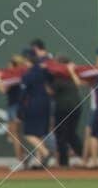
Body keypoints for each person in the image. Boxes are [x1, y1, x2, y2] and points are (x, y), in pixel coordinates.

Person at [32, 40, 85, 168]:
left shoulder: (59, 78)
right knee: (71, 134)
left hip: (63, 108)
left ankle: (64, 162)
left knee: (61, 135)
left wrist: (43, 82)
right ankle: (83, 156)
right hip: (76, 107)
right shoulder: (72, 75)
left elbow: (51, 91)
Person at [16, 51, 54, 169]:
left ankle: (45, 152)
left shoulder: (28, 75)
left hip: (34, 104)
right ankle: (39, 161)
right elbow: (51, 79)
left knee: (29, 133)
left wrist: (20, 109)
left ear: (28, 62)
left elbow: (23, 94)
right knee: (40, 132)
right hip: (46, 104)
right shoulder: (44, 72)